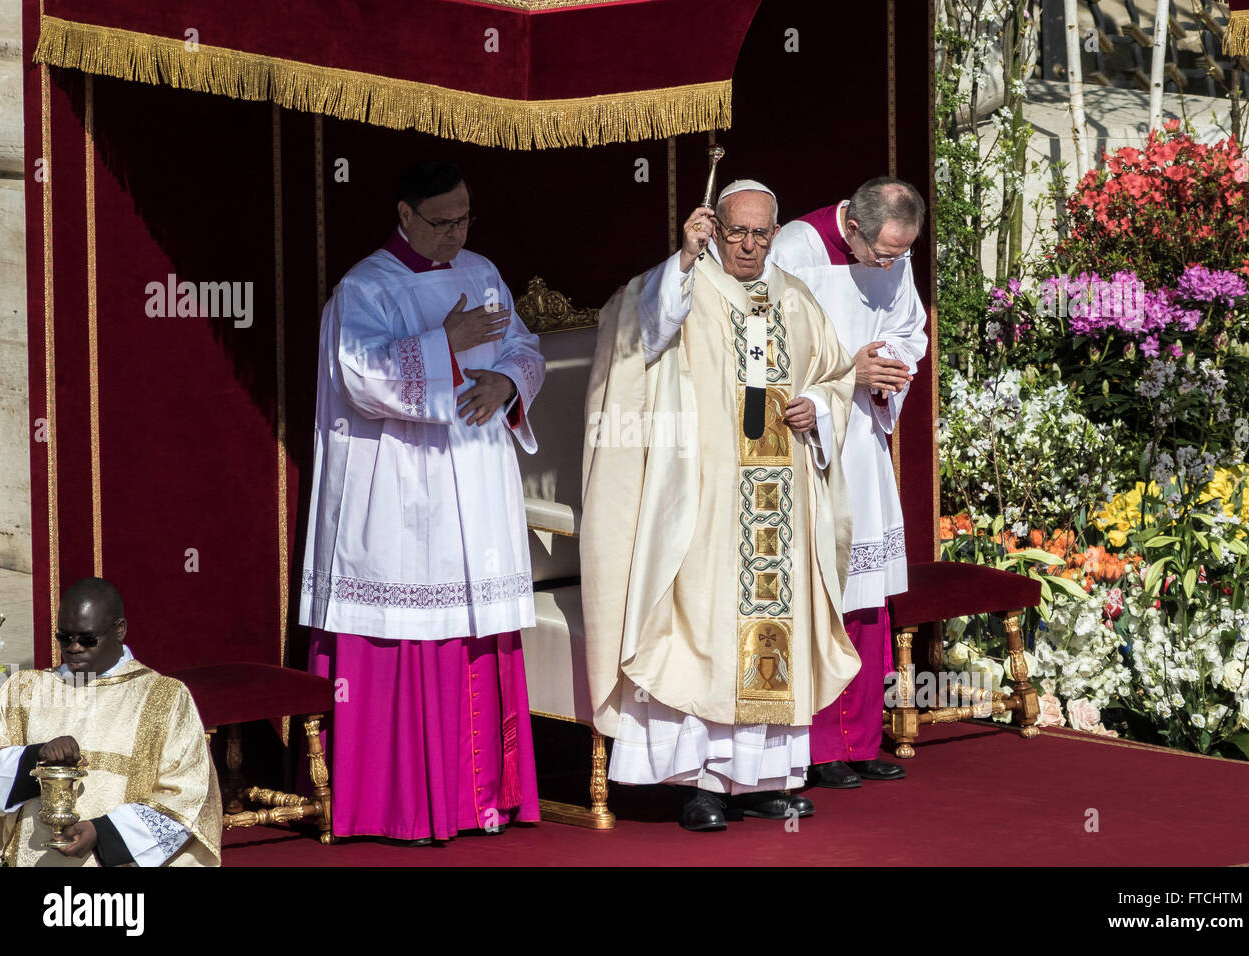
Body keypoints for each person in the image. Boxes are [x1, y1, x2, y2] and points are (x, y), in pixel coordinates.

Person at [582, 180, 859, 831]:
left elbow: (836, 374)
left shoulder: (793, 297)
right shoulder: (686, 289)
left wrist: (816, 407)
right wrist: (683, 257)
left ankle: (762, 780)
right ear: (714, 229)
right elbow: (641, 330)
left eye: (762, 234)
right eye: (737, 232)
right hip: (704, 499)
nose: (750, 245)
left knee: (770, 636)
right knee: (704, 632)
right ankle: (700, 784)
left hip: (778, 500)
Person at [299, 162, 545, 843]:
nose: (454, 234)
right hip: (401, 484)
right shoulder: (364, 289)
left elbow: (524, 343)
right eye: (441, 221)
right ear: (404, 215)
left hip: (476, 478)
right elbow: (364, 377)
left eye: (464, 219)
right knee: (410, 625)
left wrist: (504, 381)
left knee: (472, 623)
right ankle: (398, 803)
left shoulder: (482, 272)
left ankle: (483, 799)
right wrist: (446, 343)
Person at [766, 177, 929, 789]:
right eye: (884, 253)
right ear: (853, 228)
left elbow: (910, 329)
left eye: (901, 254)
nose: (891, 264)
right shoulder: (797, 249)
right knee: (818, 593)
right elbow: (766, 351)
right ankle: (814, 747)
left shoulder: (893, 251)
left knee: (864, 595)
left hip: (864, 437)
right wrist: (844, 371)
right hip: (808, 442)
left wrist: (891, 367)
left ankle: (858, 739)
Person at [0, 578, 221, 866]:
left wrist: (101, 832)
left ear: (119, 630)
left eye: (87, 639)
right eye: (64, 638)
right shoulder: (24, 690)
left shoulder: (164, 698)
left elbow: (187, 797)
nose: (73, 648)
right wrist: (33, 757)